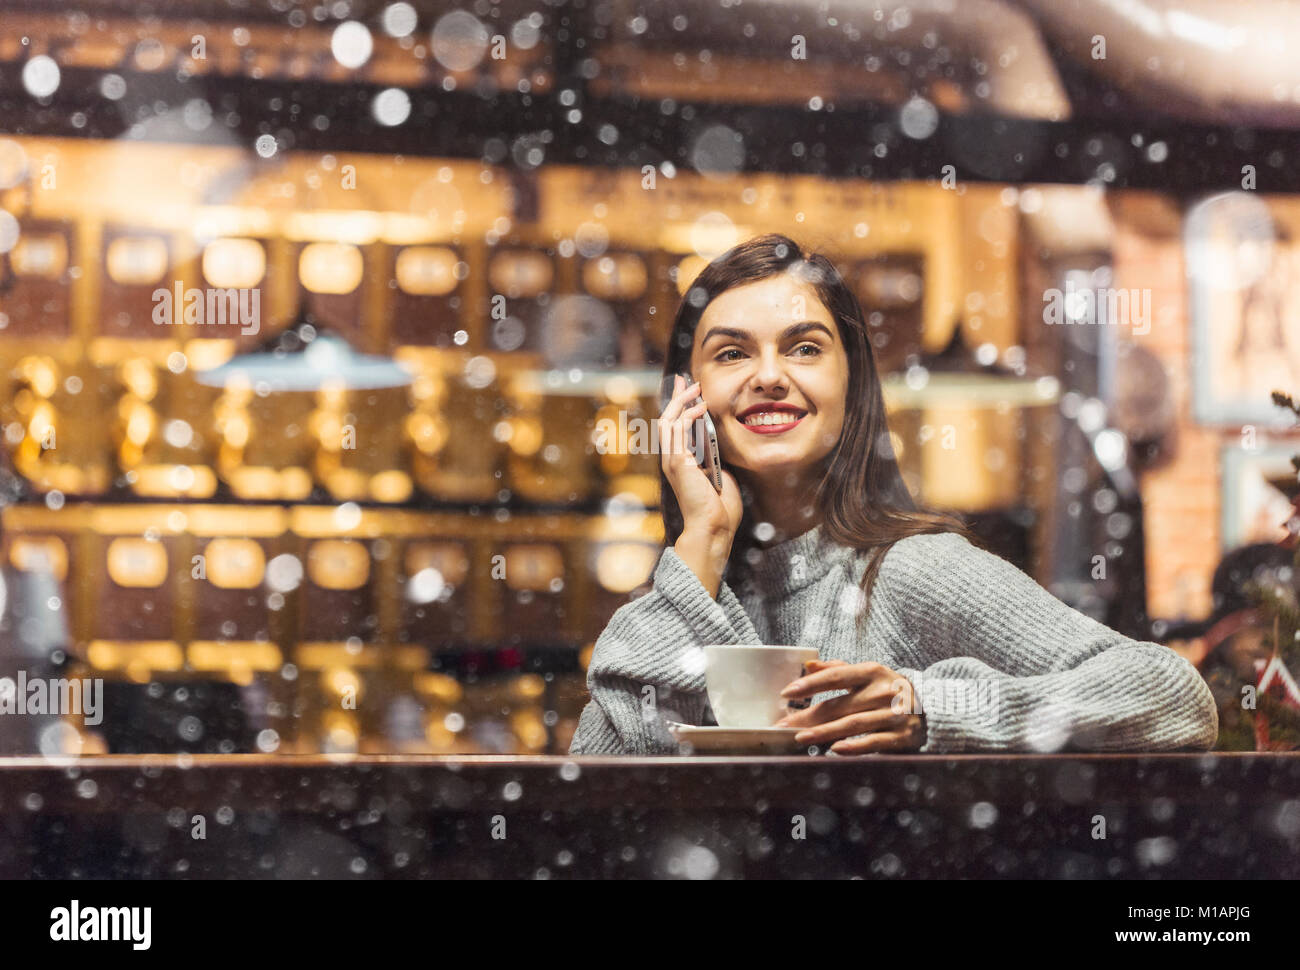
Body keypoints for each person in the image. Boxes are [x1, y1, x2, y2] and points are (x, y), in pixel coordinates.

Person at [568, 233, 1218, 755]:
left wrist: (929, 708)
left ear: (853, 386)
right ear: (687, 397)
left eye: (804, 348)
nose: (769, 376)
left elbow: (1172, 696)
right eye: (732, 354)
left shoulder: (911, 570)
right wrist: (702, 541)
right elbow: (595, 795)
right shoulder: (692, 589)